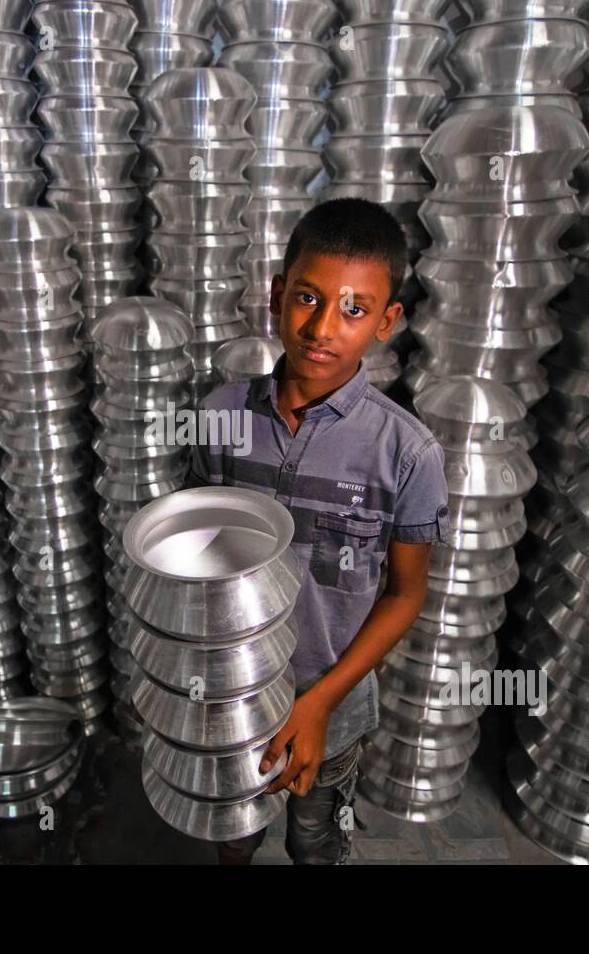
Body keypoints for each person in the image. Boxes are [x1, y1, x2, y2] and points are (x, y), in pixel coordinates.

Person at [187, 198, 449, 865]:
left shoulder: (406, 451)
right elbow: (198, 555)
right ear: (277, 296)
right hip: (233, 692)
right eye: (307, 298)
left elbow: (404, 594)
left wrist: (320, 704)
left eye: (355, 310)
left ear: (387, 321)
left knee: (313, 837)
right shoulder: (218, 415)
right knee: (233, 831)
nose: (322, 327)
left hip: (332, 705)